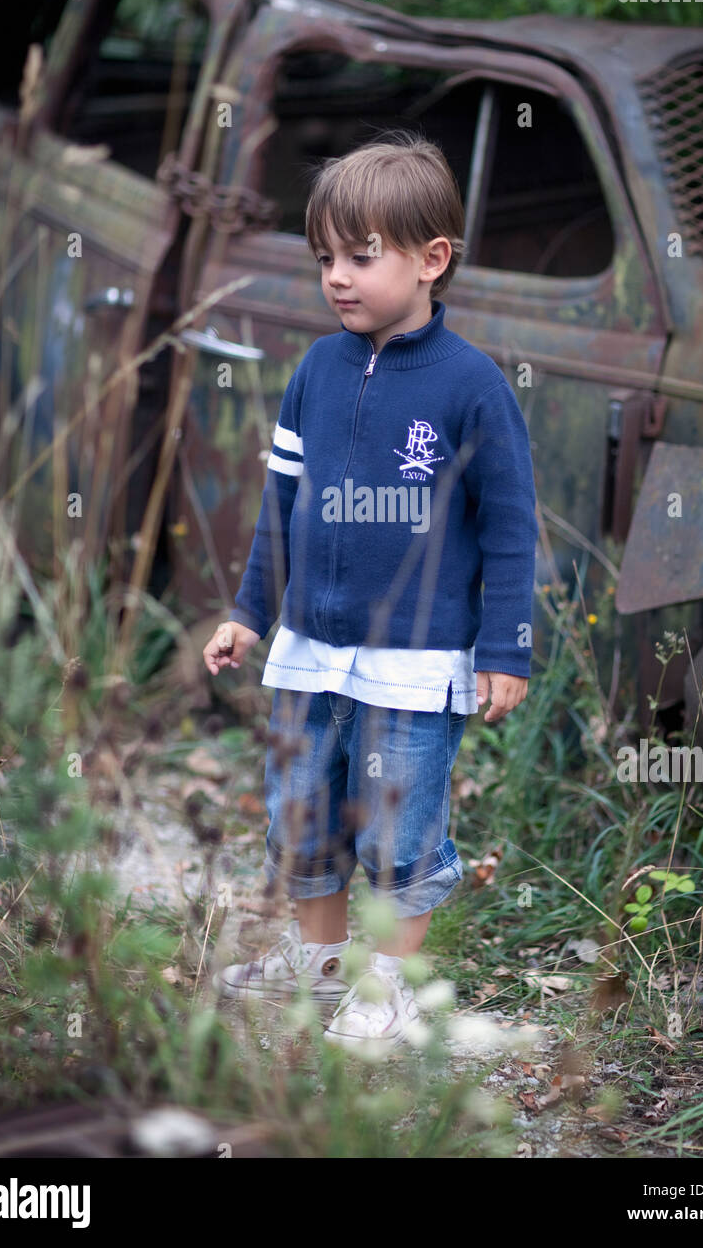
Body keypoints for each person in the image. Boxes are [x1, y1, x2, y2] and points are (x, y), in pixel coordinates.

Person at [203, 129, 538, 1055]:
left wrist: (506, 647)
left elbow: (512, 526)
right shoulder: (315, 371)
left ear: (431, 260)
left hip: (416, 657)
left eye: (362, 256)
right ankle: (317, 966)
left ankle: (386, 987)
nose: (337, 278)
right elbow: (278, 507)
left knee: (398, 824)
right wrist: (246, 612)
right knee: (301, 804)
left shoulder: (471, 386)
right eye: (324, 259)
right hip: (309, 647)